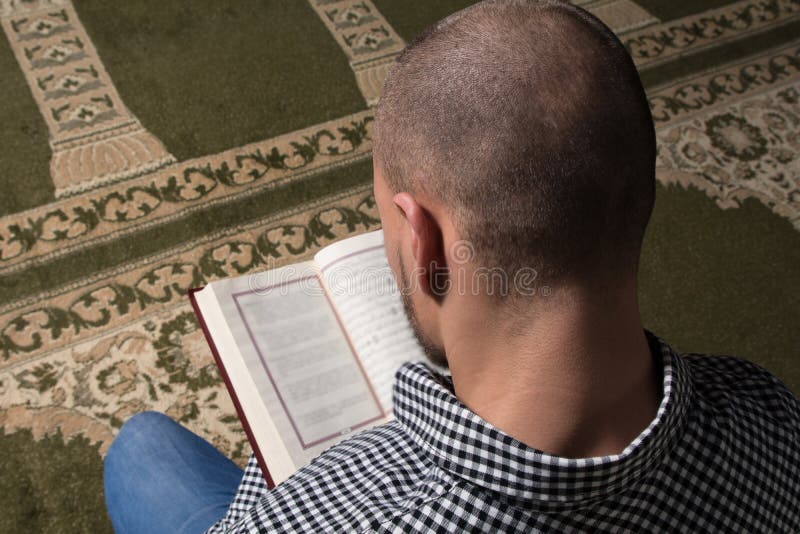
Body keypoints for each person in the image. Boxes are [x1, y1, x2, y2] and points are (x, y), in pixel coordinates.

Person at [103, 0, 800, 532]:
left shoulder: (313, 511)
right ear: (643, 195)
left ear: (425, 244)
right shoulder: (769, 417)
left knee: (140, 450)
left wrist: (270, 484)